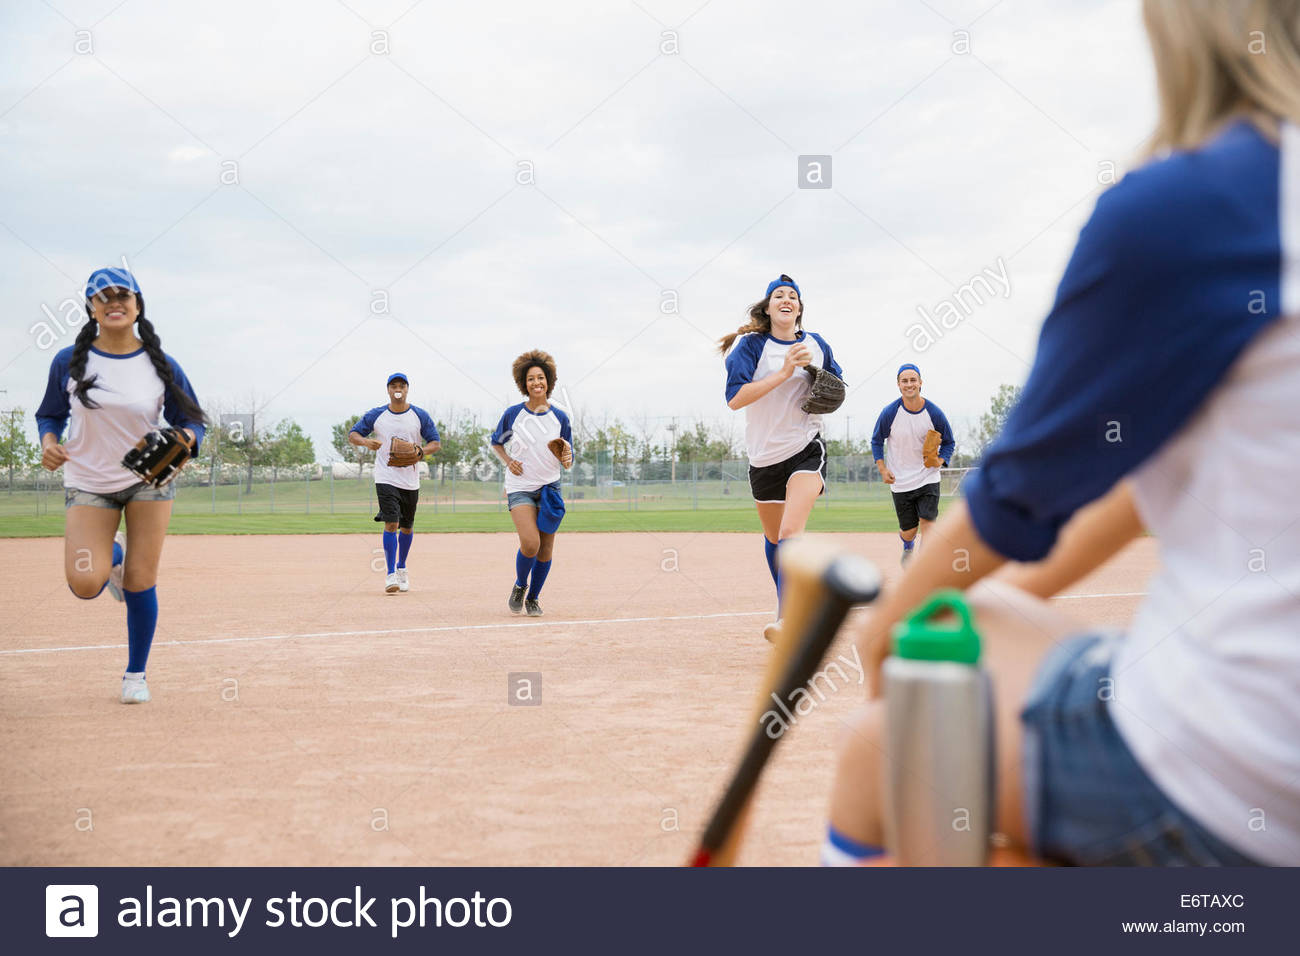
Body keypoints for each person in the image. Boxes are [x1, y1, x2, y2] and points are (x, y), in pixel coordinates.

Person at [822, 0, 1300, 867]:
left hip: (1252, 787)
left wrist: (888, 625)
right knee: (989, 610)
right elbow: (1129, 486)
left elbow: (1014, 499)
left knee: (883, 744)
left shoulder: (1198, 203)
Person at [35, 266, 206, 704]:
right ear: (91, 307)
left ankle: (136, 675)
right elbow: (49, 414)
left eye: (122, 296)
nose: (113, 302)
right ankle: (110, 558)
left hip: (149, 480)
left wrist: (186, 441)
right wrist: (49, 442)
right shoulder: (67, 361)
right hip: (89, 482)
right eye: (103, 297)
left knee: (140, 579)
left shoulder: (161, 364)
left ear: (137, 304)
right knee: (85, 583)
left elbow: (191, 421)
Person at [721, 275, 843, 642]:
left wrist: (815, 374)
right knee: (774, 538)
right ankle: (790, 606)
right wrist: (785, 372)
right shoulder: (751, 346)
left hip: (805, 447)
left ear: (800, 308)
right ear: (769, 307)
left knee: (791, 532)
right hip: (763, 456)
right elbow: (735, 398)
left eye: (793, 295)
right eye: (779, 295)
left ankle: (789, 619)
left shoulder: (818, 344)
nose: (786, 299)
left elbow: (836, 391)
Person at [489, 350, 573, 617]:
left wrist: (567, 455)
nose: (536, 382)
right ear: (523, 384)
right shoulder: (513, 414)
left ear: (548, 380)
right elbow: (496, 443)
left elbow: (568, 457)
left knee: (546, 548)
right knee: (530, 544)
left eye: (540, 377)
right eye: (530, 379)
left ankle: (534, 598)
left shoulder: (560, 418)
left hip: (550, 488)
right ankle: (520, 585)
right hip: (520, 486)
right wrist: (508, 460)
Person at [348, 373, 440, 594]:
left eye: (402, 385)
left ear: (407, 389)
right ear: (388, 390)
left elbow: (435, 443)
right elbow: (353, 434)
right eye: (393, 385)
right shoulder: (377, 415)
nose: (398, 388)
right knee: (391, 523)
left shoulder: (419, 415)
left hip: (410, 480)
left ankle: (401, 567)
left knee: (407, 527)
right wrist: (365, 441)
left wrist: (420, 451)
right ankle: (390, 574)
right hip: (385, 476)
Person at [870, 363, 955, 566]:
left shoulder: (934, 413)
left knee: (929, 525)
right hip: (900, 481)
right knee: (909, 531)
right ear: (898, 385)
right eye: (905, 381)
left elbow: (949, 442)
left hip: (928, 477)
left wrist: (940, 460)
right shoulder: (889, 413)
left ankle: (923, 569)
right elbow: (876, 440)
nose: (909, 384)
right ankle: (907, 546)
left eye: (913, 380)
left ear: (920, 383)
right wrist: (883, 469)